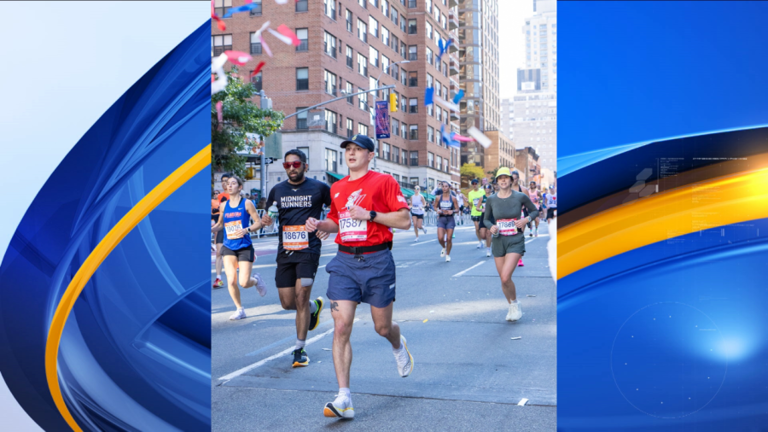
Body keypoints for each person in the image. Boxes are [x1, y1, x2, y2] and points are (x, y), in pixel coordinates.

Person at [304, 135, 413, 419]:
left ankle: (397, 344)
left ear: (370, 155)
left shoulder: (384, 181)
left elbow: (404, 220)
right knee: (341, 327)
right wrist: (319, 223)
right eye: (348, 150)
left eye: (357, 149)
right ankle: (344, 399)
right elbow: (335, 221)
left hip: (377, 260)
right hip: (344, 261)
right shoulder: (337, 187)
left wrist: (371, 214)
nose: (351, 154)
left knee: (382, 327)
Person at [260, 149, 332, 367]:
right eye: (287, 165)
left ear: (305, 166)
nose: (292, 168)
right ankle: (313, 308)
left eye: (296, 164)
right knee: (287, 302)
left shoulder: (319, 188)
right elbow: (270, 216)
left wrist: (327, 226)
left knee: (300, 298)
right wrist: (266, 221)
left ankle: (299, 349)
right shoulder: (277, 190)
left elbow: (336, 211)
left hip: (309, 250)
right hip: (285, 251)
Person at [484, 168, 539, 322]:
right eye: (500, 178)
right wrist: (491, 227)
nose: (503, 181)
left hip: (515, 239)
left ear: (511, 180)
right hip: (498, 240)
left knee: (506, 275)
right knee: (503, 279)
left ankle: (514, 304)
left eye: (506, 178)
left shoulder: (520, 196)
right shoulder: (491, 199)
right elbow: (486, 219)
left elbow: (534, 211)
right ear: (497, 181)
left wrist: (525, 220)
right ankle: (512, 305)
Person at [211, 175, 267, 320]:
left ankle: (256, 280)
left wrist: (246, 230)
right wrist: (210, 228)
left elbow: (258, 222)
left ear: (240, 187)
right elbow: (220, 225)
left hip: (244, 246)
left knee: (244, 282)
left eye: (233, 183)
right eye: (228, 184)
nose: (229, 186)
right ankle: (240, 309)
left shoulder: (247, 203)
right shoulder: (223, 205)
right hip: (228, 246)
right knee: (231, 280)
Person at [213, 173, 231, 288]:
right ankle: (218, 278)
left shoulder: (236, 195)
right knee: (219, 253)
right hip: (221, 225)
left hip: (232, 226)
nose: (224, 183)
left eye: (226, 181)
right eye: (222, 181)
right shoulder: (220, 196)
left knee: (231, 254)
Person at [434, 182, 460, 262]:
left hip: (450, 219)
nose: (444, 188)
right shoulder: (438, 198)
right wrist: (438, 210)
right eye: (443, 186)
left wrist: (452, 211)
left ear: (449, 187)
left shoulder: (453, 198)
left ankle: (447, 254)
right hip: (441, 219)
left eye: (446, 186)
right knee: (440, 237)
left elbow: (457, 209)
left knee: (449, 238)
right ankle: (444, 247)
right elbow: (435, 207)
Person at [511, 171, 528, 267]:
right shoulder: (506, 189)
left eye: (515, 178)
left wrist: (522, 206)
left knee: (519, 236)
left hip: (521, 215)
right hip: (509, 216)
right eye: (512, 178)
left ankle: (520, 258)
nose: (514, 180)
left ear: (518, 179)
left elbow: (528, 203)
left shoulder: (523, 190)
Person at [468, 179, 489, 255]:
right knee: (477, 228)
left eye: (475, 183)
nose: (474, 185)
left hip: (482, 212)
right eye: (473, 184)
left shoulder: (482, 191)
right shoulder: (470, 193)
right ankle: (480, 242)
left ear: (478, 184)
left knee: (483, 228)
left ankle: (487, 240)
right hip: (474, 212)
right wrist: (471, 210)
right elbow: (470, 203)